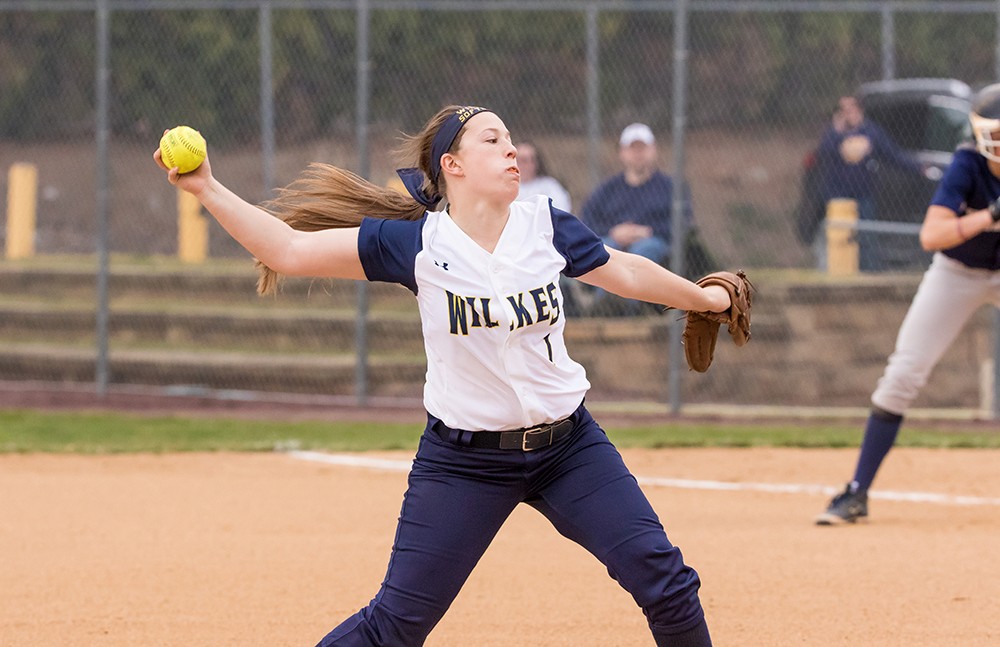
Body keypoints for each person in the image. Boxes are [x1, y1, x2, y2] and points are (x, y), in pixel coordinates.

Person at [154, 105, 732, 646]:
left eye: (510, 139)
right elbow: (288, 249)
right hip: (464, 463)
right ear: (452, 166)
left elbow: (624, 270)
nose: (511, 150)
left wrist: (704, 299)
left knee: (668, 585)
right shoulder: (416, 245)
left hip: (570, 449)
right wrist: (205, 186)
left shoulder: (544, 226)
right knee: (394, 626)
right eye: (493, 140)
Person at [816, 84, 1000, 526]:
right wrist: (991, 215)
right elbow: (932, 235)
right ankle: (856, 492)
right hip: (957, 272)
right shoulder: (967, 163)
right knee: (903, 373)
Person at [578, 122, 700, 315]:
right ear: (622, 153)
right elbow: (588, 220)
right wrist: (614, 232)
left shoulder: (670, 187)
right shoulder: (608, 189)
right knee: (605, 248)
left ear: (654, 150)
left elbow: (683, 222)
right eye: (632, 148)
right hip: (614, 241)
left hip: (656, 242)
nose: (638, 153)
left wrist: (648, 231)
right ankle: (606, 308)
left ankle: (630, 310)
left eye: (642, 148)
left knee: (641, 251)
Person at [811, 95, 928, 272]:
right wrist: (835, 131)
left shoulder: (871, 132)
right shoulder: (834, 134)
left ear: (859, 110)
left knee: (866, 236)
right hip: (838, 195)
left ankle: (868, 271)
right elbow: (823, 153)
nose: (847, 114)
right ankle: (837, 269)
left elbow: (893, 155)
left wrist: (918, 167)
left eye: (850, 109)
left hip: (863, 193)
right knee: (839, 235)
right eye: (843, 110)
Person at [515, 140, 572, 211]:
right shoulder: (506, 186)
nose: (521, 165)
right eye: (517, 160)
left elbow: (560, 210)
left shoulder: (550, 186)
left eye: (525, 161)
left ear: (535, 163)